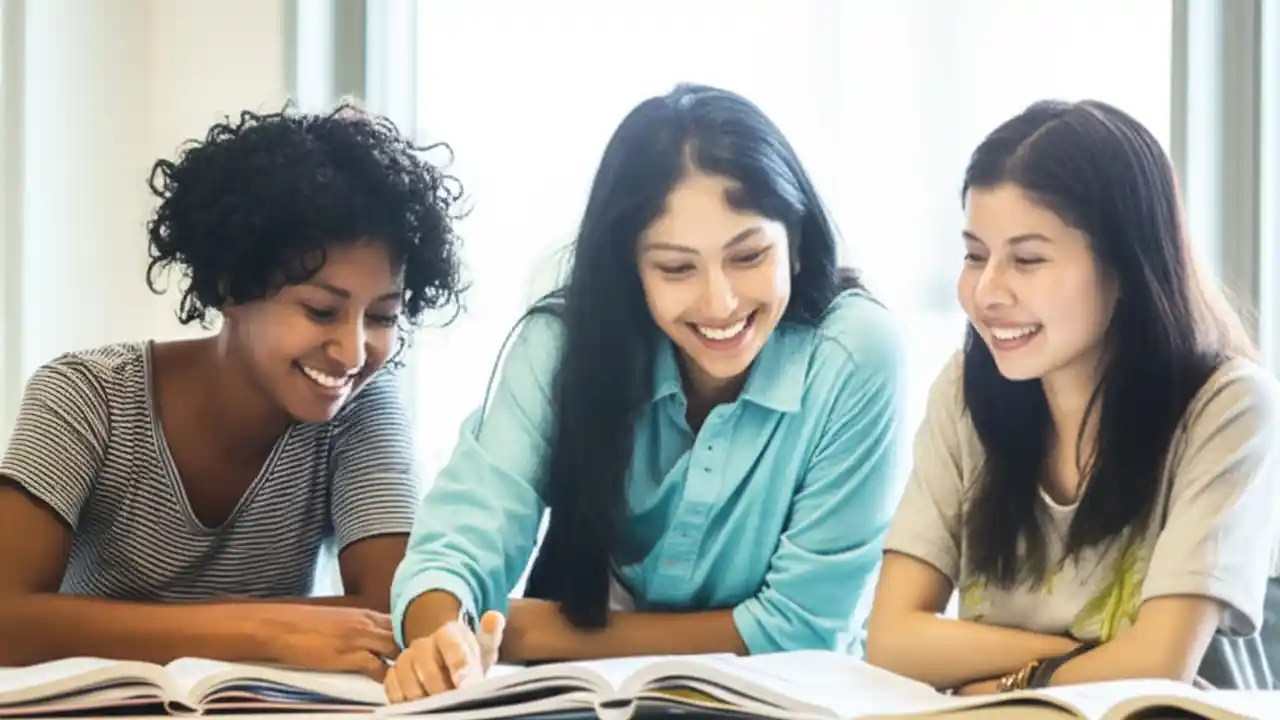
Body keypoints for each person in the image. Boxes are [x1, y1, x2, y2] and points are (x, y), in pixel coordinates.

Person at [385, 84, 906, 701]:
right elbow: (462, 536)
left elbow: (801, 627)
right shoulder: (561, 343)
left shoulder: (856, 352)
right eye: (677, 268)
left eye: (749, 256)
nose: (721, 302)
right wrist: (442, 635)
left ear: (794, 243)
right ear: (629, 268)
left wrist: (542, 633)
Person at [0, 103, 465, 679]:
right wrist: (259, 632)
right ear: (230, 285)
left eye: (382, 317)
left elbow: (392, 611)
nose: (351, 351)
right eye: (321, 310)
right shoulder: (87, 396)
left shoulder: (361, 407)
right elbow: (7, 621)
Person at [866, 99, 1280, 693]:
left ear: (1127, 269)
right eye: (975, 256)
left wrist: (989, 683)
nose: (986, 293)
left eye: (1027, 260)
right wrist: (1069, 661)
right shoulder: (965, 390)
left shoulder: (1229, 408)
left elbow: (1157, 668)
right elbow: (894, 640)